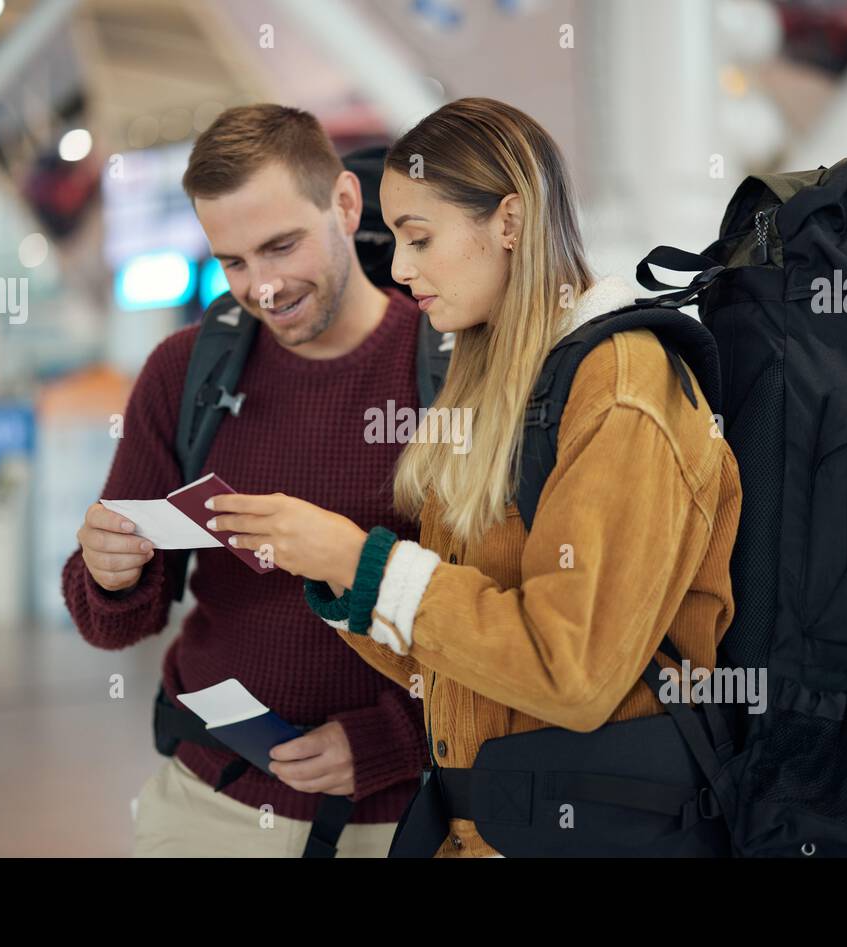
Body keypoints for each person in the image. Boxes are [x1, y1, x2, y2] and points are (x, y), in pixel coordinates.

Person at [206, 97, 743, 857]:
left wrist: (363, 563)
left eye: (419, 237)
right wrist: (343, 579)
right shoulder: (507, 388)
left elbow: (575, 670)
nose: (398, 268)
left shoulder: (624, 389)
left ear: (510, 223)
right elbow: (467, 658)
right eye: (395, 238)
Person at [61, 104, 431, 857]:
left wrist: (397, 737)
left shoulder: (447, 371)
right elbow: (118, 622)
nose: (261, 287)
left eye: (281, 246)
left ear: (346, 205)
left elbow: (507, 610)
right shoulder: (186, 371)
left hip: (406, 814)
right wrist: (107, 572)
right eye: (233, 262)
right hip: (212, 806)